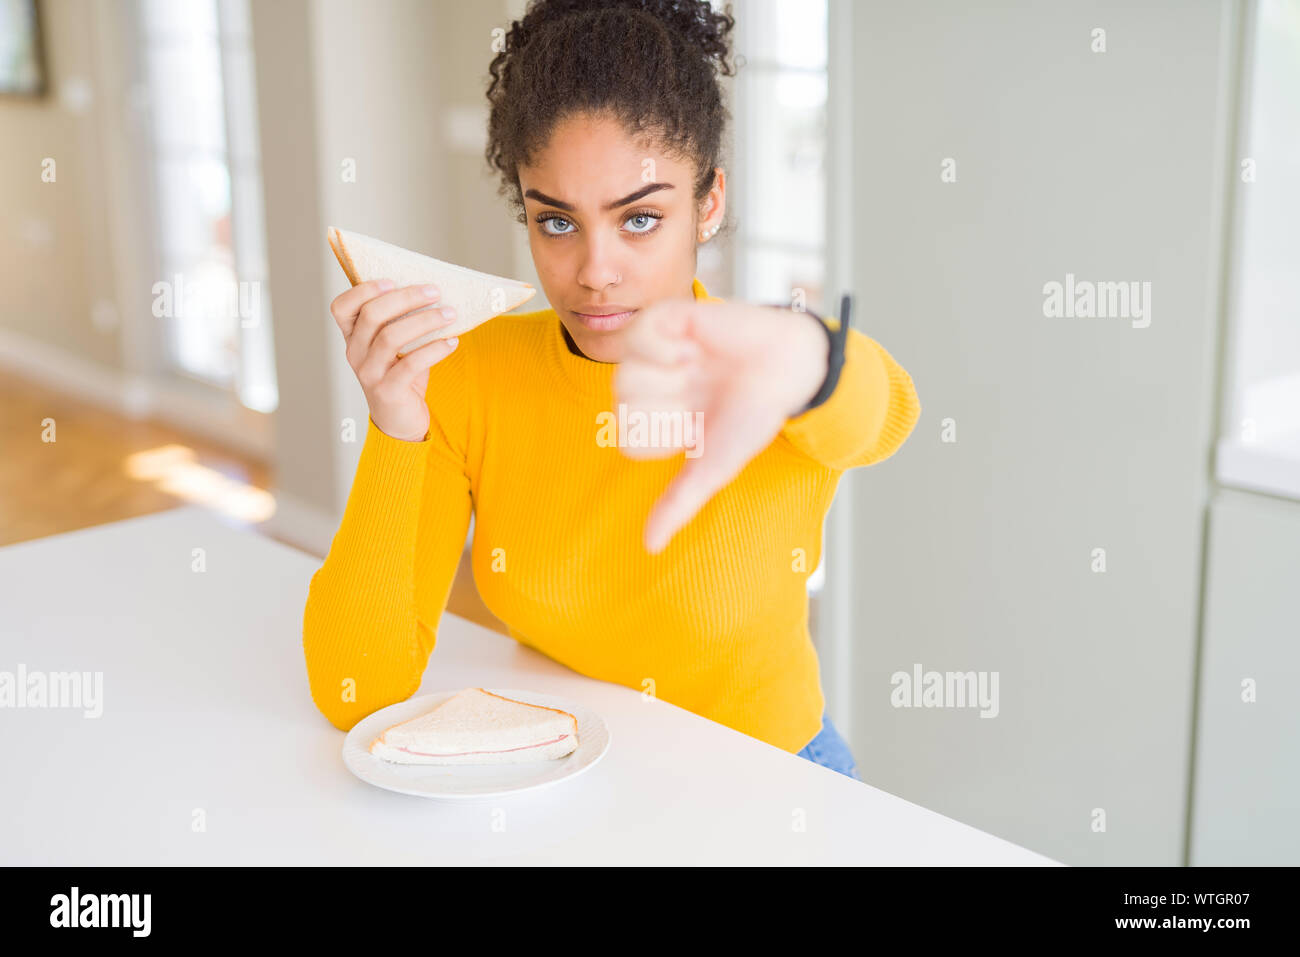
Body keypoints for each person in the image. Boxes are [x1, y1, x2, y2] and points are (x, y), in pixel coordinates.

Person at [303, 0, 919, 782]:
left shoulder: (766, 368)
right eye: (556, 223)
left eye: (640, 220)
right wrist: (394, 427)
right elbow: (356, 689)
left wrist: (814, 357)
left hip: (770, 780)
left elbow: (889, 412)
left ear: (711, 201)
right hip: (566, 774)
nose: (594, 270)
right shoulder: (466, 374)